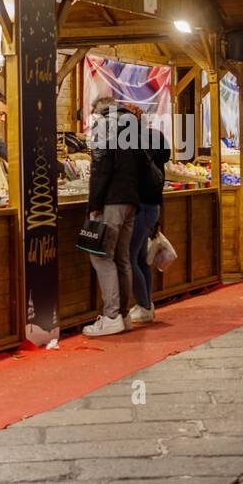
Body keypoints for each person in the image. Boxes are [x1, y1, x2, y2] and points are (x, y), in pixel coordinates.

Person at [82, 97, 144, 337]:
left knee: (100, 256)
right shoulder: (133, 125)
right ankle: (124, 315)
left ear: (97, 113)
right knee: (122, 257)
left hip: (111, 200)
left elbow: (100, 166)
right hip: (131, 199)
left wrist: (94, 203)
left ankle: (111, 316)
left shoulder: (104, 126)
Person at [126, 104, 169, 326]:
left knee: (129, 256)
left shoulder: (135, 143)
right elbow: (162, 170)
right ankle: (147, 304)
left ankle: (143, 305)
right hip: (152, 204)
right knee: (141, 257)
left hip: (141, 205)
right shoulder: (157, 138)